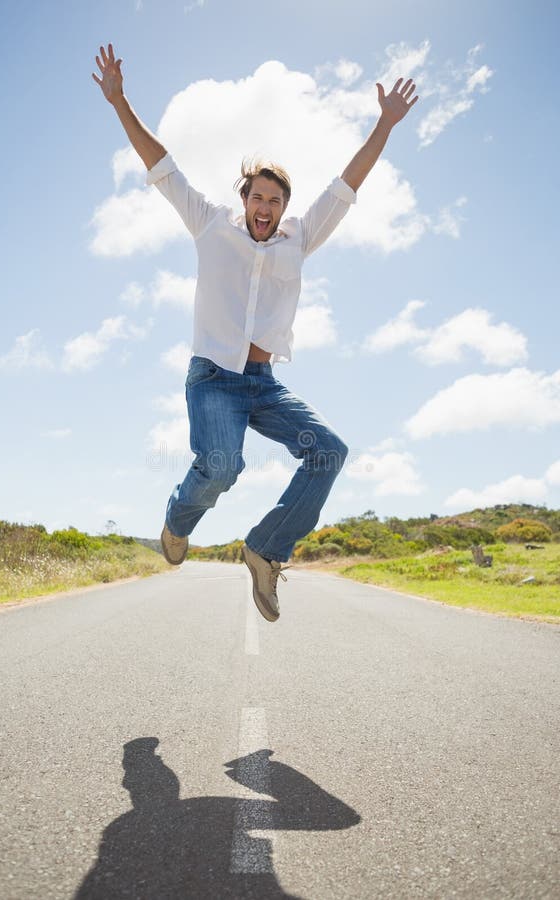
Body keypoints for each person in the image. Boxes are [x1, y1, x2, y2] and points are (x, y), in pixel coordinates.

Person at [92, 43, 418, 623]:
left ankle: (266, 550)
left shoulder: (300, 237)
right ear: (243, 200)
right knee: (222, 465)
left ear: (284, 207)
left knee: (329, 453)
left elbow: (348, 182)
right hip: (214, 378)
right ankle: (177, 519)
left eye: (275, 200)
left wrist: (384, 125)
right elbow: (162, 165)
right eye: (258, 197)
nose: (265, 207)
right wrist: (120, 102)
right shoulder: (211, 224)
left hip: (263, 384)